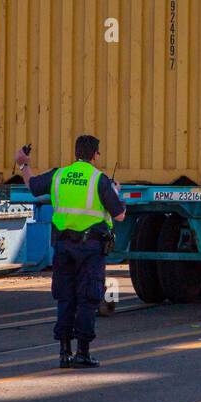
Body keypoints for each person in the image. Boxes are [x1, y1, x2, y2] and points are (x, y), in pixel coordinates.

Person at [14, 135, 125, 368]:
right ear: (95, 155)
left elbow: (33, 187)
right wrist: (116, 192)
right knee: (88, 298)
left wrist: (23, 164)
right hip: (91, 249)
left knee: (65, 297)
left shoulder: (59, 175)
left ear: (76, 153)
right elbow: (119, 214)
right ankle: (82, 353)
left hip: (63, 247)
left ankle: (64, 352)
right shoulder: (99, 180)